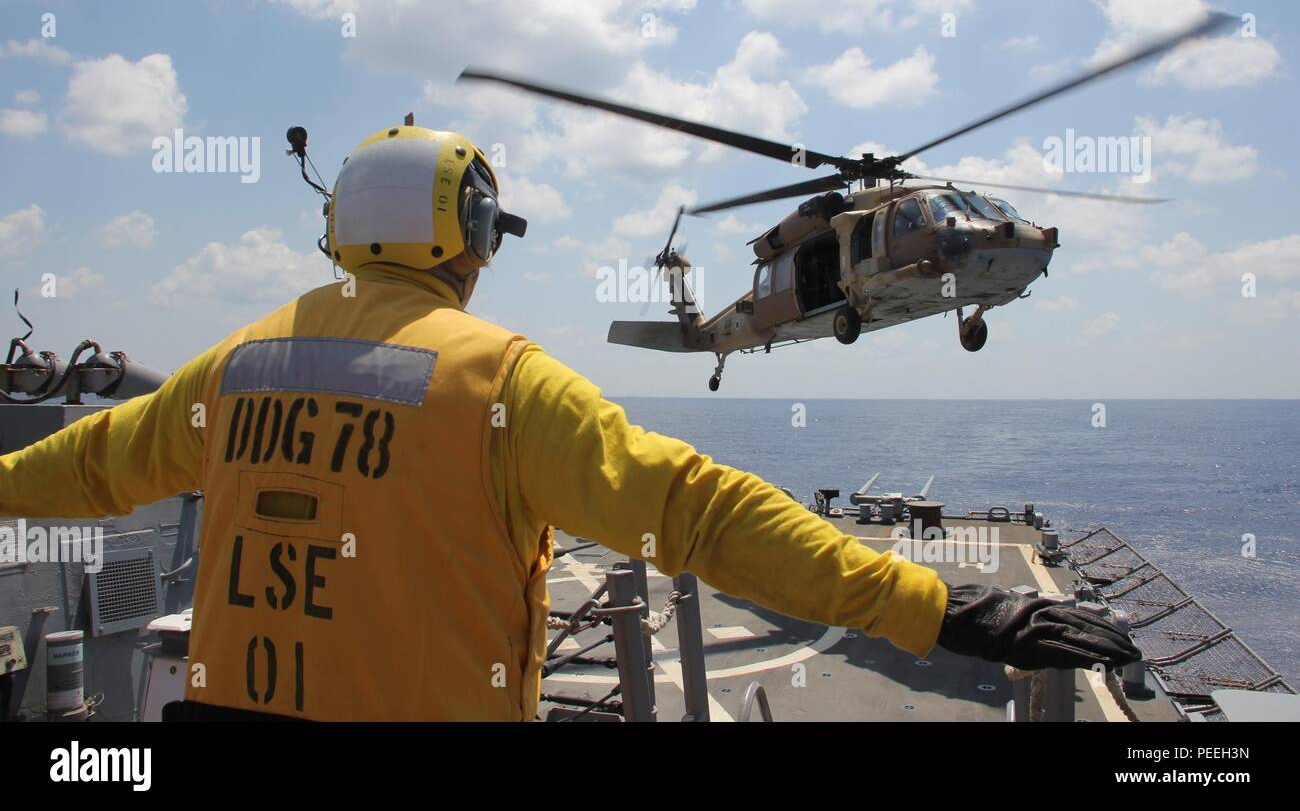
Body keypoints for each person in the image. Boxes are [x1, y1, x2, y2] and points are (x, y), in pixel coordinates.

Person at [0, 121, 1137, 720]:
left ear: (340, 231)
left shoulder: (234, 367)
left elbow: (83, 464)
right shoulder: (499, 380)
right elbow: (698, 513)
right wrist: (933, 601)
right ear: (471, 231)